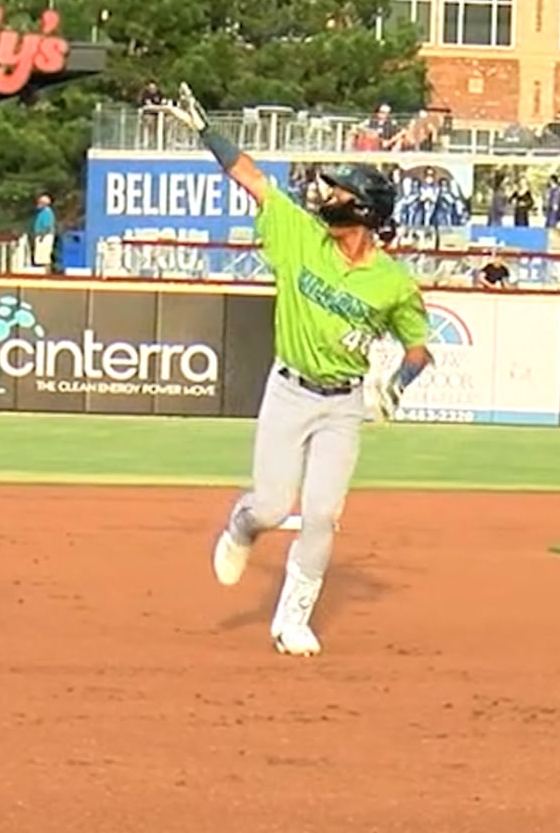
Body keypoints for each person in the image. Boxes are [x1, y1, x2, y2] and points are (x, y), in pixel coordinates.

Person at [159, 83, 432, 657]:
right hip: (289, 390)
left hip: (343, 404)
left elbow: (417, 347)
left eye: (338, 190)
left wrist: (397, 386)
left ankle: (293, 618)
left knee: (323, 515)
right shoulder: (301, 235)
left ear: (363, 210)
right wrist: (206, 131)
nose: (324, 193)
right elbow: (253, 178)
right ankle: (241, 526)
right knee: (272, 506)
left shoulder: (394, 283)